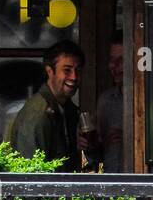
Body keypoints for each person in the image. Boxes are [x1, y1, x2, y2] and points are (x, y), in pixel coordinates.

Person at [6, 41, 92, 171]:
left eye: (78, 70)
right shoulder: (37, 114)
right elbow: (30, 173)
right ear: (49, 71)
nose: (74, 77)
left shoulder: (67, 109)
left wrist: (78, 148)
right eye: (67, 70)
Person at [94, 38, 125, 173]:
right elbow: (96, 150)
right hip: (110, 179)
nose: (114, 65)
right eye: (112, 60)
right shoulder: (105, 100)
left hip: (141, 180)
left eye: (121, 60)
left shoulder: (147, 100)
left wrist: (130, 138)